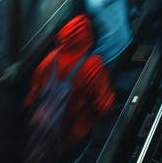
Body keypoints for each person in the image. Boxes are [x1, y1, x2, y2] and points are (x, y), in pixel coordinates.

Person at [24, 15, 113, 161]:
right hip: (75, 135)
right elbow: (104, 106)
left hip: (44, 131)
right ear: (88, 38)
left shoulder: (48, 61)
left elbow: (30, 100)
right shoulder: (92, 67)